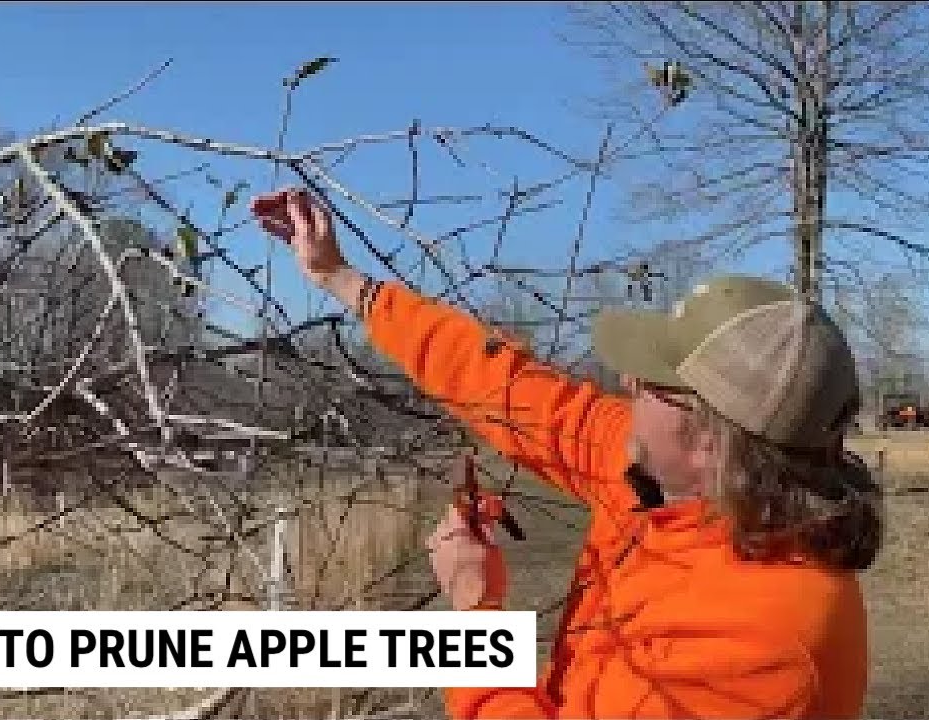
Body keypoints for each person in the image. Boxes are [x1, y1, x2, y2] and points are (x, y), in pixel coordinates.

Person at [251, 187, 883, 720]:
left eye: (651, 381)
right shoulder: (661, 479)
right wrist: (341, 278)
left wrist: (473, 615)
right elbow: (505, 389)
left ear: (710, 437)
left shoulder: (767, 637)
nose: (626, 384)